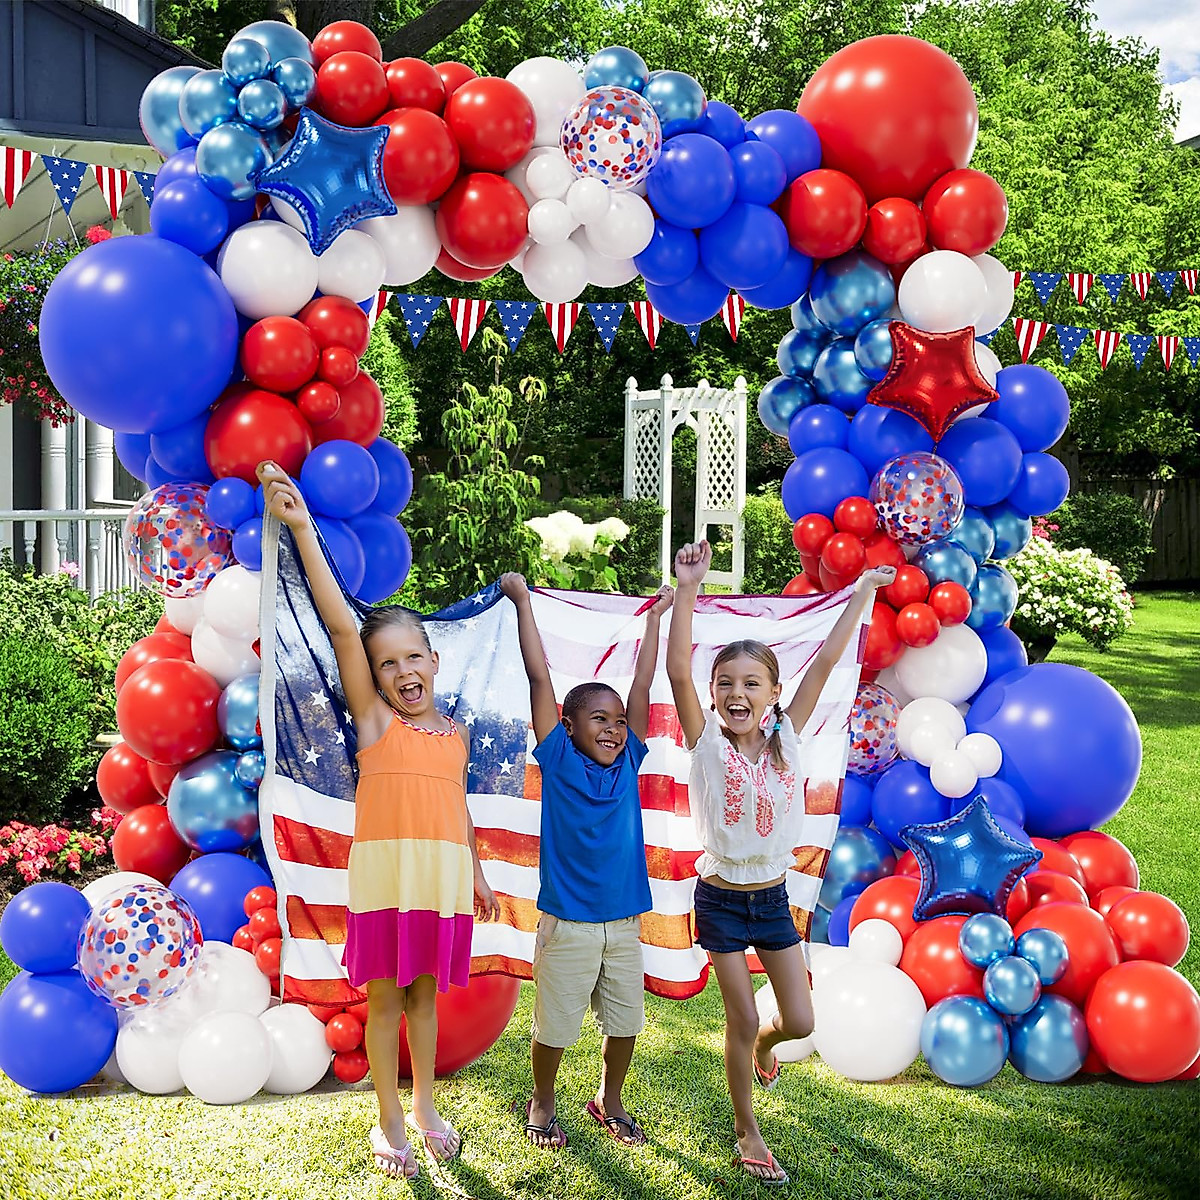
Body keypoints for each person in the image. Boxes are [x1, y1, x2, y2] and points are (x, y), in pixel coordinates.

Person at [258, 461, 500, 1182]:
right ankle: (387, 1115)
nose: (401, 672)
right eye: (385, 663)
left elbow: (457, 805)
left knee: (425, 997)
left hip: (442, 874)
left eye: (412, 657)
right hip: (388, 873)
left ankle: (425, 1107)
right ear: (374, 674)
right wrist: (302, 527)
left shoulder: (454, 734)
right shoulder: (372, 723)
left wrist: (479, 871)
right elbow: (339, 625)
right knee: (388, 1000)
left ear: (433, 659)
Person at [666, 540, 895, 1186]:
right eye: (726, 685)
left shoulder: (789, 737)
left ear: (772, 694)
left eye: (751, 684)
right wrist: (690, 587)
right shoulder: (707, 744)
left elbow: (825, 663)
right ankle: (747, 1130)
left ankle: (767, 1047)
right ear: (713, 697)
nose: (738, 693)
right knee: (739, 1016)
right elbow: (679, 670)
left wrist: (862, 595)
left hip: (772, 902)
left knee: (798, 1020)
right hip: (718, 900)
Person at [500, 573, 672, 1151]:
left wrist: (654, 621)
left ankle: (610, 1098)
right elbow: (538, 675)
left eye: (619, 720)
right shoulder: (558, 758)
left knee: (625, 1025)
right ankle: (543, 1100)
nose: (614, 728)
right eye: (599, 719)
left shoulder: (628, 764)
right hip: (568, 922)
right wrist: (524, 601)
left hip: (623, 921)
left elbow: (644, 682)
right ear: (569, 727)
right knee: (555, 1027)